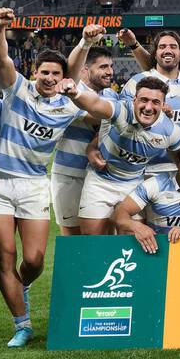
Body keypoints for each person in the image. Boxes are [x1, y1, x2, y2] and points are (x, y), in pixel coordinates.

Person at [0, 8, 87, 348]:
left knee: (34, 260)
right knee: (6, 256)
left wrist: (85, 44)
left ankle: (23, 286)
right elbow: (1, 60)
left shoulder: (70, 106)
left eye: (55, 73)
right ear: (35, 71)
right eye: (44, 71)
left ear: (62, 77)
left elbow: (82, 80)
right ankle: (22, 325)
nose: (48, 77)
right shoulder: (18, 89)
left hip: (34, 185)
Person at [63, 75, 180, 235]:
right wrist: (75, 93)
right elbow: (94, 104)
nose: (148, 107)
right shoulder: (120, 111)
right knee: (92, 242)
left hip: (134, 187)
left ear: (163, 105)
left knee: (133, 243)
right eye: (144, 100)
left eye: (155, 102)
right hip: (100, 182)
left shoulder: (170, 132)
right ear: (134, 100)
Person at [59, 29, 118, 236]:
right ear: (84, 70)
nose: (109, 71)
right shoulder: (70, 91)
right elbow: (98, 117)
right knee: (73, 239)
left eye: (111, 66)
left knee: (104, 238)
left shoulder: (111, 95)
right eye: (103, 67)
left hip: (103, 177)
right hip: (70, 173)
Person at [121, 30, 180, 176]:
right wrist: (155, 116)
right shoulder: (137, 81)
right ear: (155, 53)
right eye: (162, 47)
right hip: (143, 166)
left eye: (173, 46)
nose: (167, 50)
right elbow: (121, 118)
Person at [113, 141, 180, 255]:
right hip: (156, 251)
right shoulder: (156, 184)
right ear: (178, 163)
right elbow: (120, 212)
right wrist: (137, 227)